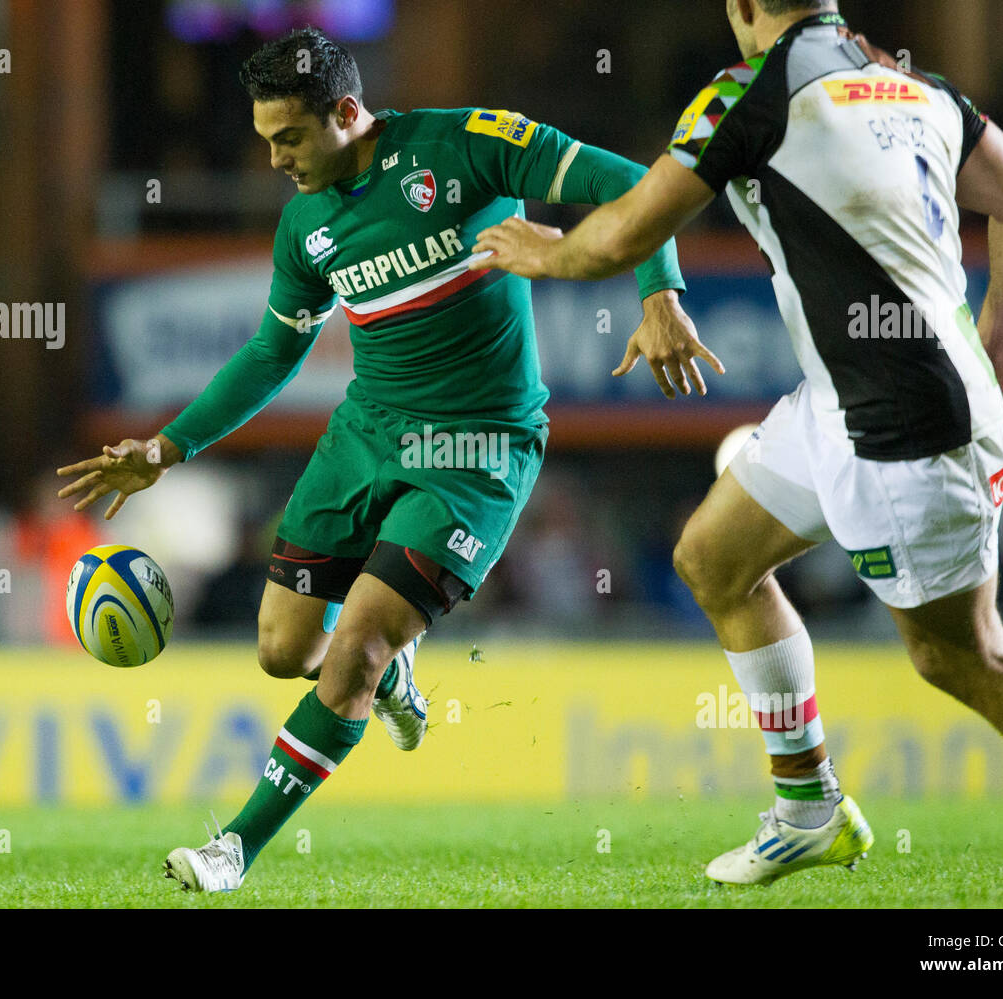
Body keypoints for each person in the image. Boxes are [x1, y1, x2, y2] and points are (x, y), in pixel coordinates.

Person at [57, 26, 698, 892]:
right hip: (366, 434)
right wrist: (168, 447)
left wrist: (659, 292)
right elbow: (271, 353)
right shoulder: (304, 227)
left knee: (352, 646)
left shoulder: (466, 147)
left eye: (289, 137)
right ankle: (389, 676)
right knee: (284, 650)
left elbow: (632, 183)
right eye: (264, 140)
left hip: (477, 450)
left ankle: (234, 847)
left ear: (348, 114)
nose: (275, 159)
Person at [473, 0, 1003, 886]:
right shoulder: (914, 84)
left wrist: (542, 250)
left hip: (908, 423)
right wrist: (996, 341)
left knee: (963, 655)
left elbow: (626, 229)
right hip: (844, 399)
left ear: (741, 8)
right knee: (715, 557)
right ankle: (810, 809)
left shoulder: (748, 93)